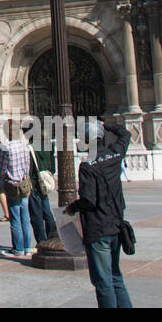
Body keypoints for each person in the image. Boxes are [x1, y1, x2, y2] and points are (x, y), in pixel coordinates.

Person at [66, 121, 133, 308]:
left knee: (103, 282)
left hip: (98, 229)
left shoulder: (87, 165)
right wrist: (107, 124)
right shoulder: (115, 154)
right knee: (115, 277)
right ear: (103, 137)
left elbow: (88, 200)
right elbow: (125, 134)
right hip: (116, 226)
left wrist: (73, 207)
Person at [0, 120, 34, 258]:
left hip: (11, 185)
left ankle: (18, 249)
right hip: (23, 184)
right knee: (25, 217)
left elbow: (1, 169)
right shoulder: (25, 147)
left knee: (15, 218)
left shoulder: (5, 148)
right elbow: (27, 167)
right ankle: (27, 247)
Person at [27, 144, 57, 247]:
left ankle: (41, 240)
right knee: (47, 211)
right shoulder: (48, 146)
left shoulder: (31, 147)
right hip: (45, 182)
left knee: (36, 214)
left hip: (35, 182)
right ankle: (51, 236)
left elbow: (29, 168)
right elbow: (53, 166)